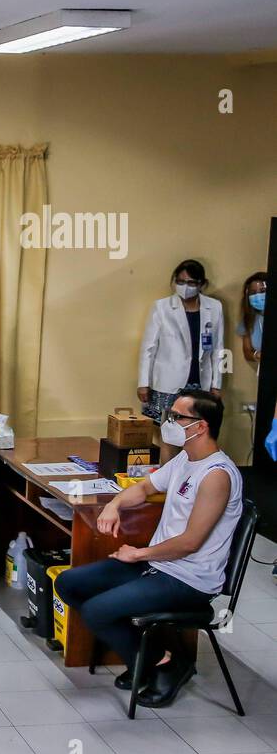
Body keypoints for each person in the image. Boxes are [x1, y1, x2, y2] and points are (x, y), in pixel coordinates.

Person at [54, 389, 242, 709]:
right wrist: (114, 505)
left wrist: (138, 554)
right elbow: (144, 488)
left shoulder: (217, 476)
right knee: (69, 584)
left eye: (178, 417)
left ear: (201, 426)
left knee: (97, 610)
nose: (169, 422)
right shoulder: (186, 459)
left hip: (189, 578)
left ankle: (165, 665)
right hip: (158, 563)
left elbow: (190, 542)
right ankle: (147, 656)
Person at [137, 259, 223, 422]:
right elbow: (148, 348)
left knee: (195, 429)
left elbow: (218, 349)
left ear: (201, 284)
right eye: (180, 281)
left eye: (191, 283)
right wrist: (143, 382)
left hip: (200, 383)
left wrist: (216, 384)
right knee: (166, 432)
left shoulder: (215, 307)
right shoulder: (161, 307)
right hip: (167, 384)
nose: (185, 287)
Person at [237, 271, 265, 369]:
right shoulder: (249, 319)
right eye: (253, 293)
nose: (258, 296)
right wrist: (256, 355)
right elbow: (247, 352)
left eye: (262, 291)